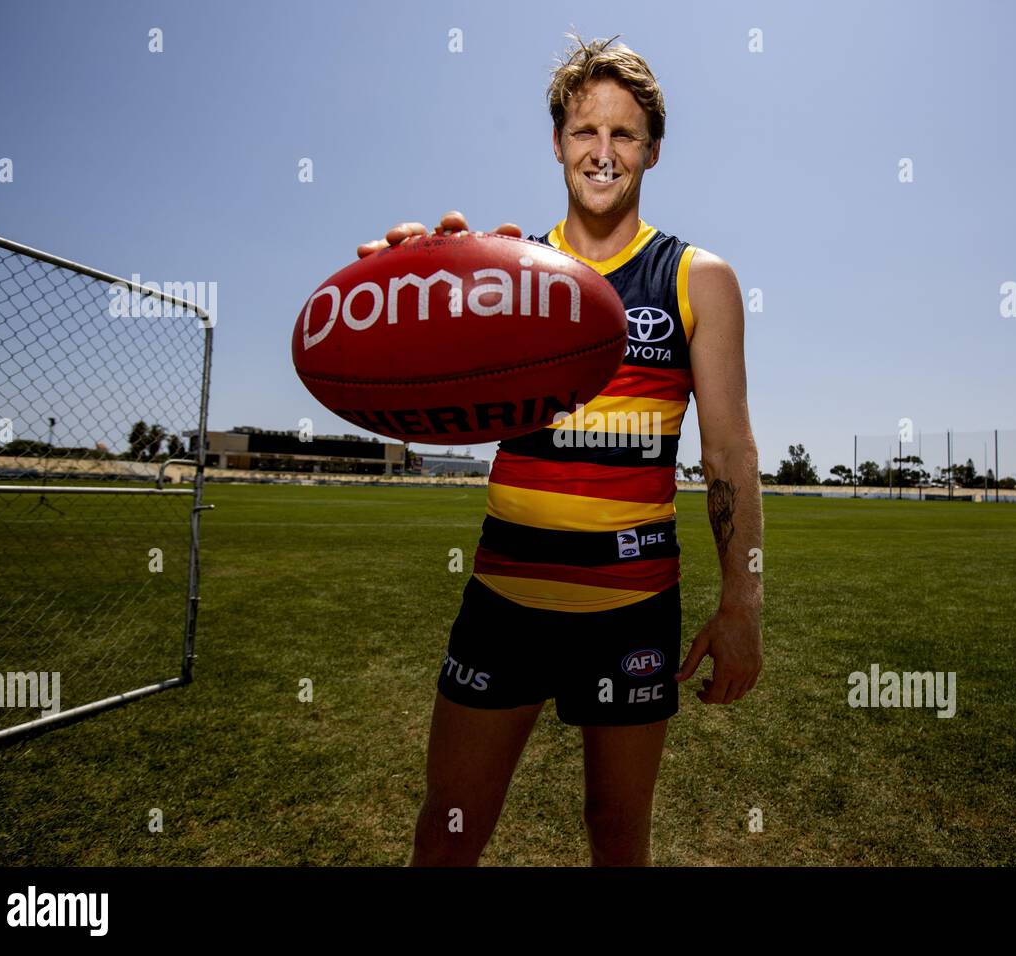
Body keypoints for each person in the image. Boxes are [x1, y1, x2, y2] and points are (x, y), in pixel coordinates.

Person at [357, 34, 763, 866]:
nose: (603, 152)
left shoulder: (697, 278)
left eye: (623, 134)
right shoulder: (506, 268)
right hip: (504, 598)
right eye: (585, 132)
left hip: (632, 607)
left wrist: (742, 604)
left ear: (652, 148)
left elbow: (727, 453)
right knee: (450, 822)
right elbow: (420, 375)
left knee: (618, 836)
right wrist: (406, 287)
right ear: (556, 144)